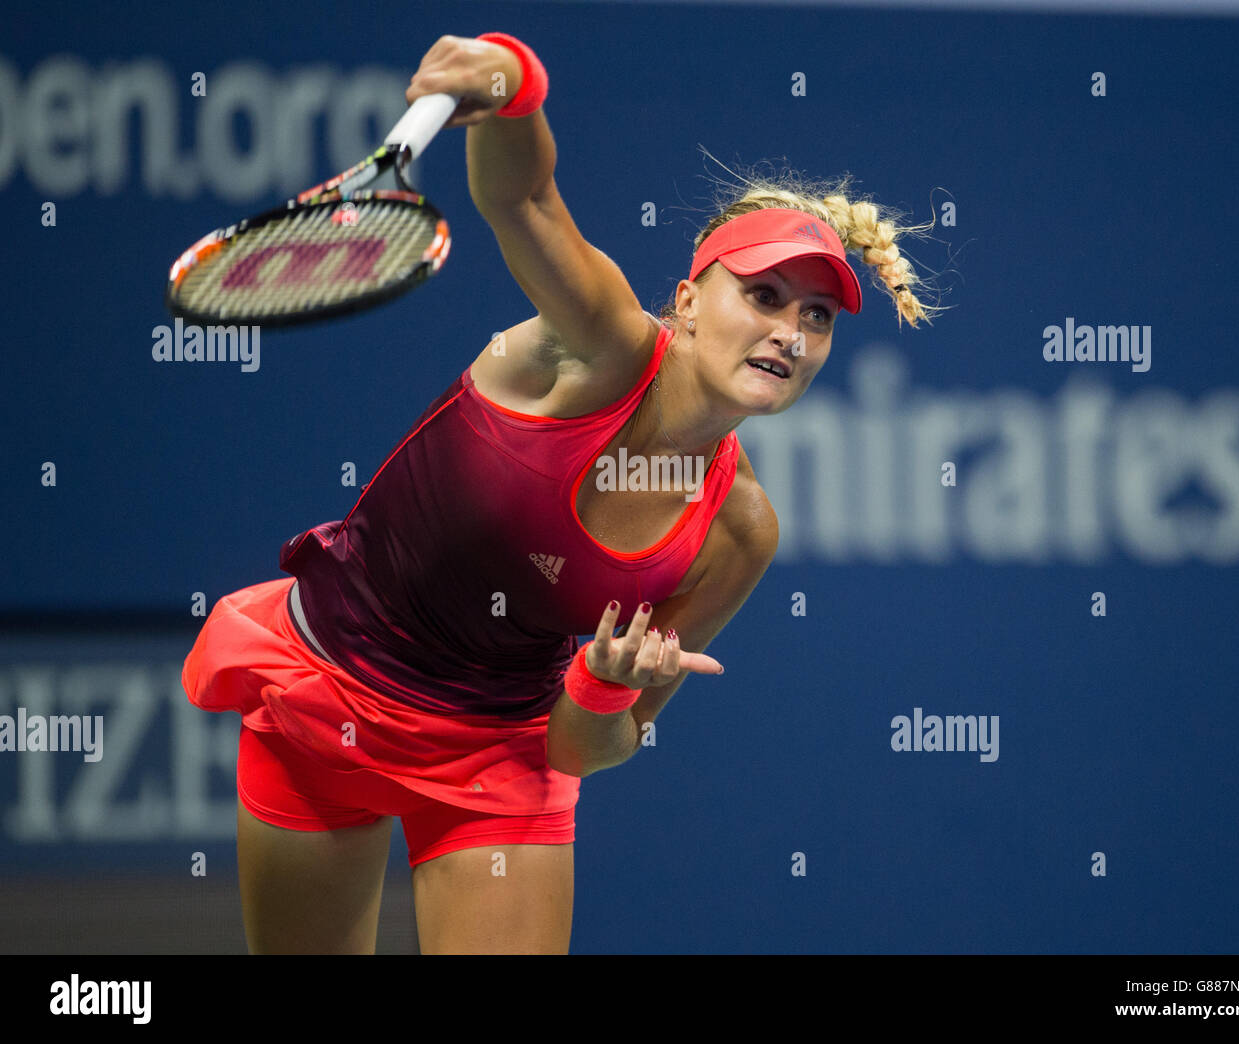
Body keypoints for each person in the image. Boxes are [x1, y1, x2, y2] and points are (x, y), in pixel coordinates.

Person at [181, 31, 941, 955]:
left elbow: (585, 750)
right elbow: (523, 197)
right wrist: (511, 84)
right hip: (324, 688)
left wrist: (604, 686)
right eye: (764, 296)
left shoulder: (737, 533)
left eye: (816, 317)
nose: (792, 332)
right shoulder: (598, 345)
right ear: (689, 300)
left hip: (496, 754)